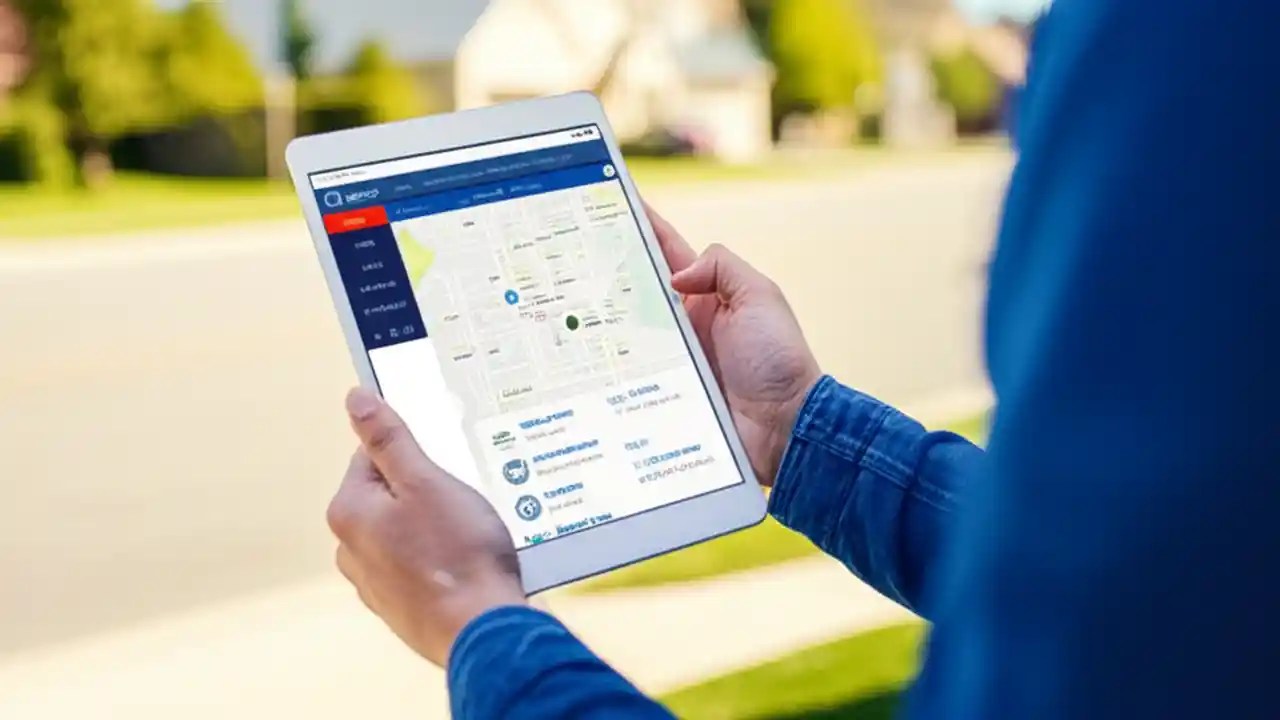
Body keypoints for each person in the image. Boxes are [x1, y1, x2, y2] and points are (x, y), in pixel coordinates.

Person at [324, 2, 1280, 718]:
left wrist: (480, 628)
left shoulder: (1196, 43)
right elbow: (1160, 591)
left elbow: (1130, 619)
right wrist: (796, 429)